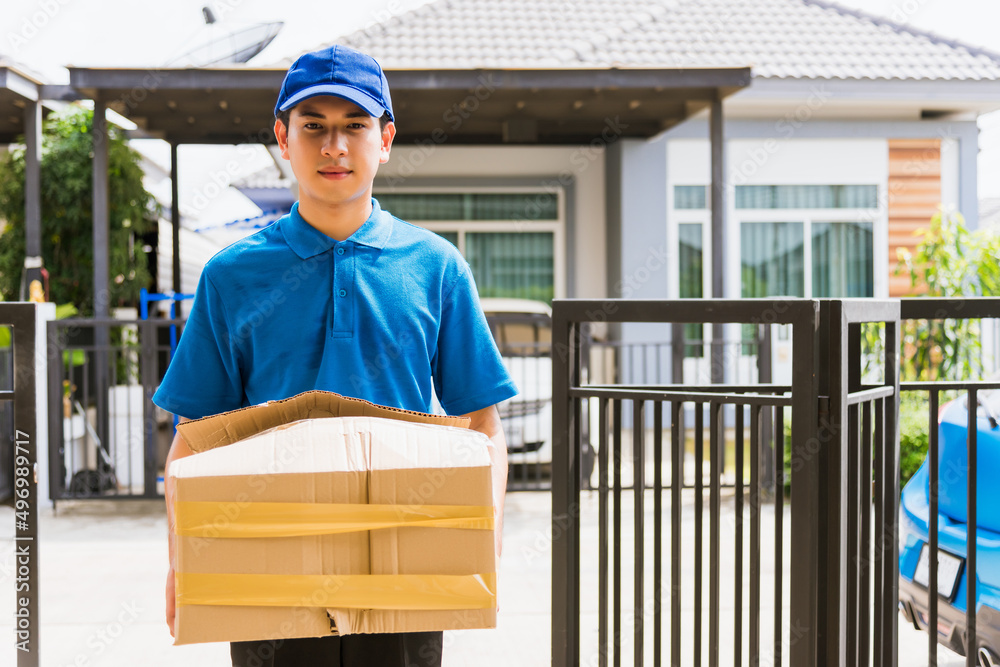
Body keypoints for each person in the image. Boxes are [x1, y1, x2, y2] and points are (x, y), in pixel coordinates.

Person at [154, 44, 518, 667]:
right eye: (313, 127)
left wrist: (484, 541)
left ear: (385, 140)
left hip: (405, 566)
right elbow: (194, 436)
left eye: (354, 125)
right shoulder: (231, 275)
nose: (334, 146)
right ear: (282, 138)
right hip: (267, 568)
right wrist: (182, 556)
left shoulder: (435, 267)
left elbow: (482, 424)